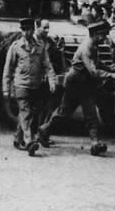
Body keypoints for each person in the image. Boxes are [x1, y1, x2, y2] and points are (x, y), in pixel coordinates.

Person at [43, 21, 110, 156]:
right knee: (64, 112)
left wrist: (110, 68)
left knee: (90, 112)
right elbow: (92, 71)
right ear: (96, 34)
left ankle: (95, 143)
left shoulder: (93, 45)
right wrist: (112, 75)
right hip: (76, 82)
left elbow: (95, 63)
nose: (104, 38)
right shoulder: (87, 47)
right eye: (103, 35)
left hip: (84, 82)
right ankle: (44, 130)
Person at [3, 17, 55, 156]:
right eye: (24, 30)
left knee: (29, 113)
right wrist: (6, 89)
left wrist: (52, 81)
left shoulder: (40, 46)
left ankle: (17, 138)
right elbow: (7, 69)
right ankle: (29, 141)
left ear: (33, 30)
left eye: (29, 29)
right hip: (21, 84)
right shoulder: (15, 47)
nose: (27, 32)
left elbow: (48, 66)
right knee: (25, 112)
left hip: (36, 85)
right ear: (22, 30)